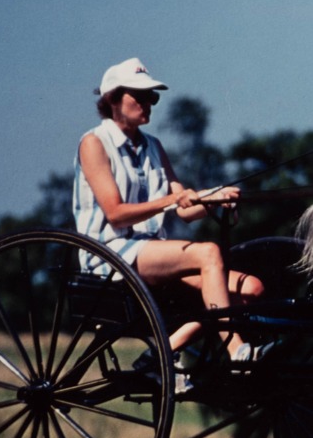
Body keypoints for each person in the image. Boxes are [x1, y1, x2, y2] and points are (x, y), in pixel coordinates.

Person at [72, 57, 264, 362]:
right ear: (112, 99)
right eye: (140, 95)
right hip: (111, 254)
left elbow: (185, 207)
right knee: (209, 252)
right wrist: (172, 201)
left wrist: (214, 197)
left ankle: (163, 352)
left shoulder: (153, 146)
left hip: (152, 253)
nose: (148, 103)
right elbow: (115, 213)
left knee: (251, 288)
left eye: (153, 97)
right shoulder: (95, 143)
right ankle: (237, 351)